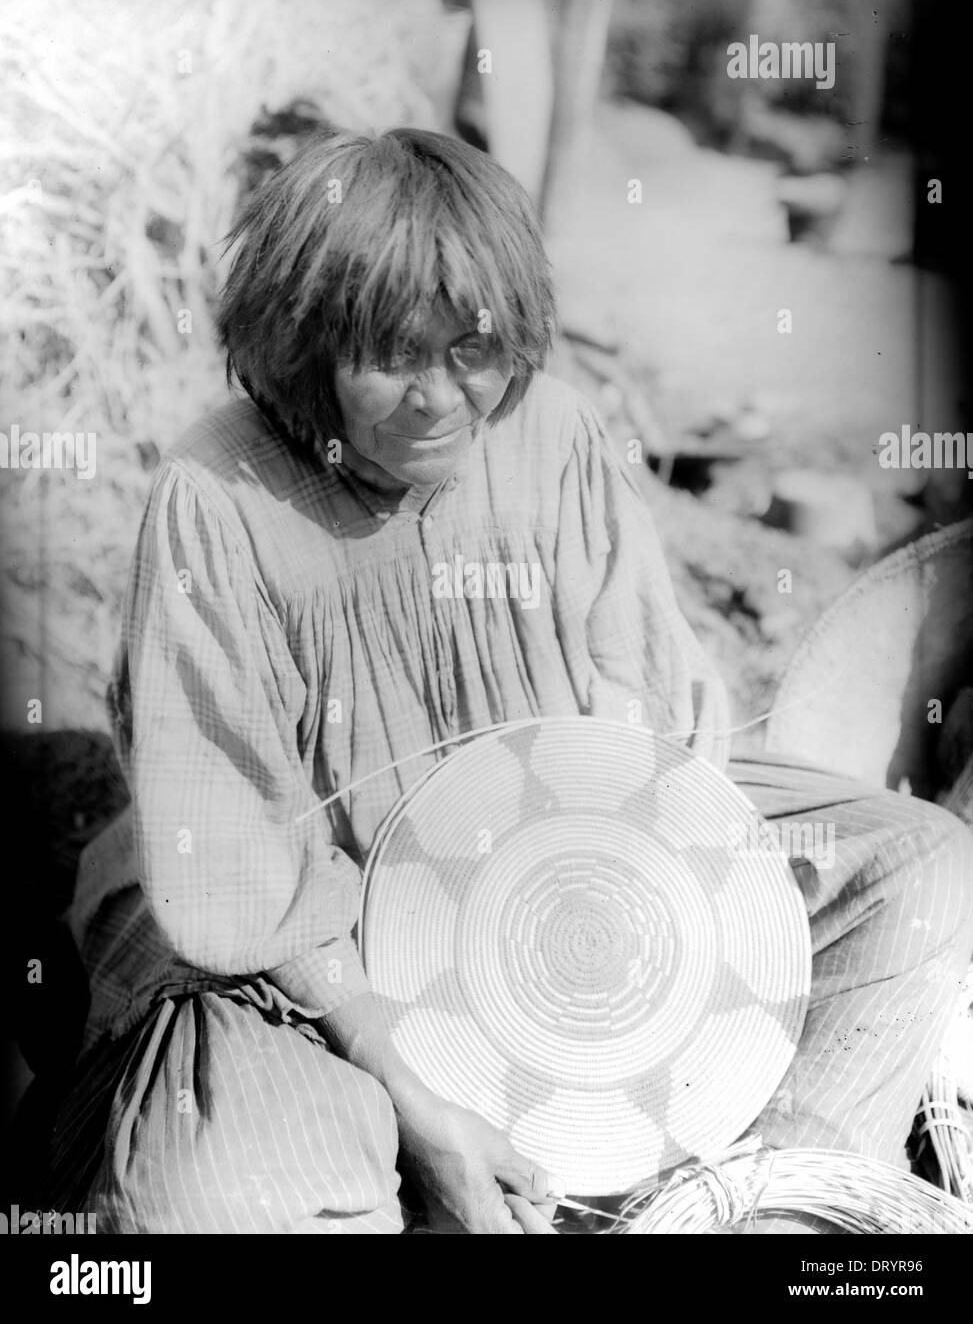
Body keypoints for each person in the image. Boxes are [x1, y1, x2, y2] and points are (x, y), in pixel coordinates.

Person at [49, 127, 973, 1234]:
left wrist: (618, 986)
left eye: (472, 351)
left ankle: (765, 1205)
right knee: (215, 1200)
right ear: (303, 350)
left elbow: (653, 722)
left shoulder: (554, 434)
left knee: (915, 863)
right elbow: (239, 859)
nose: (439, 400)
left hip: (559, 872)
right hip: (318, 941)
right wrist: (428, 1099)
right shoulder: (218, 496)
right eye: (391, 355)